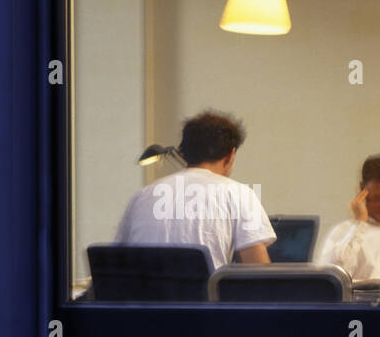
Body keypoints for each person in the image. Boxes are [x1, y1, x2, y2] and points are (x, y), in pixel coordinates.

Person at [115, 110, 275, 270]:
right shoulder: (241, 195)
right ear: (230, 155)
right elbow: (258, 272)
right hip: (203, 295)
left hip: (142, 295)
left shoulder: (142, 196)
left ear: (185, 152)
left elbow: (116, 262)